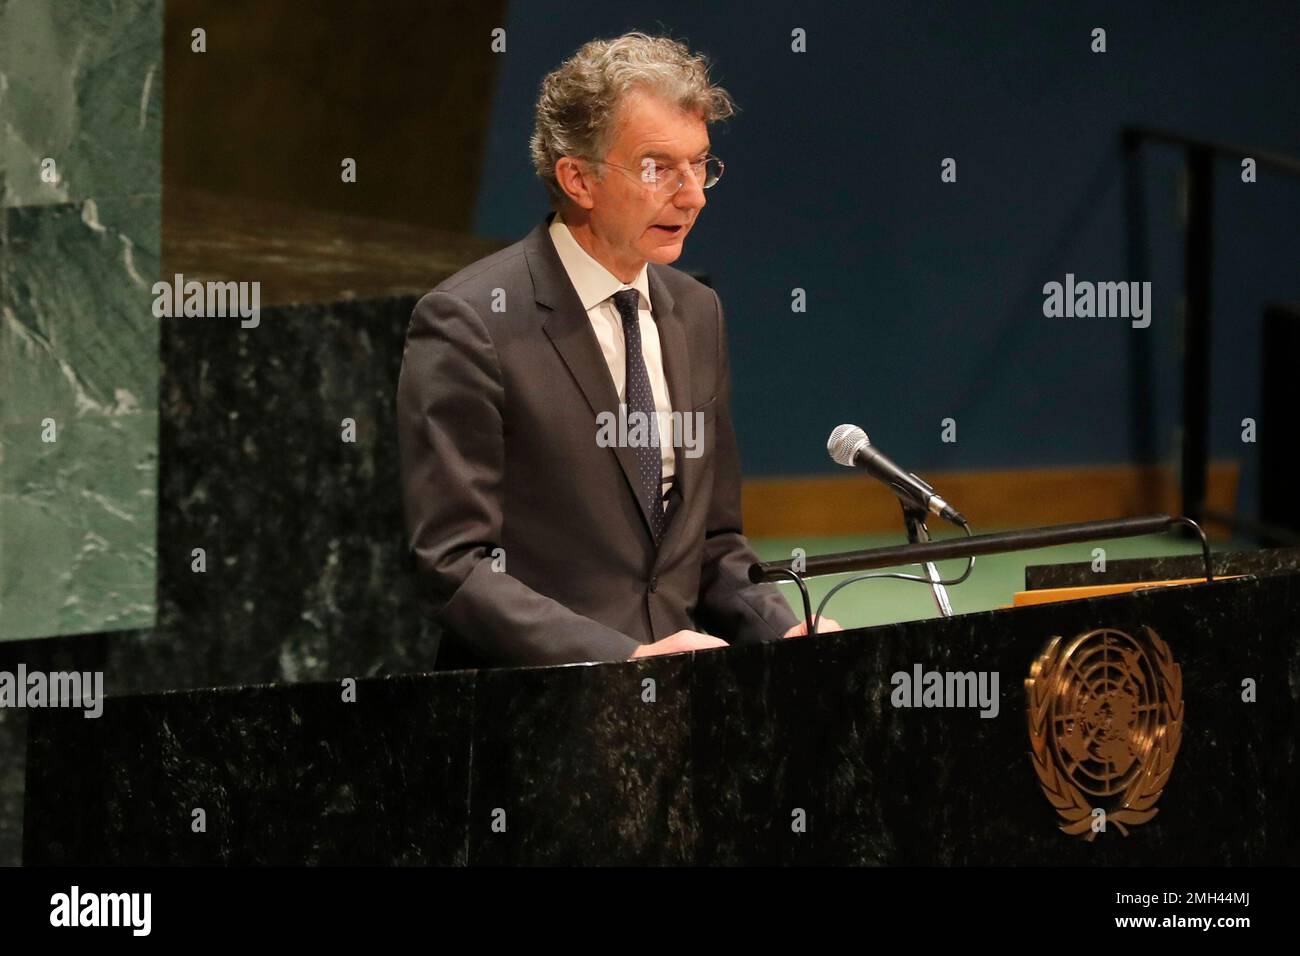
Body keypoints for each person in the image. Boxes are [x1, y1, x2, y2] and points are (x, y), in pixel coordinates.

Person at [396, 32, 840, 668]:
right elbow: (453, 567)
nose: (693, 196)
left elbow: (712, 541)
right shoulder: (470, 322)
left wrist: (781, 627)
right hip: (532, 720)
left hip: (681, 706)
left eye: (702, 164)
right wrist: (624, 657)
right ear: (578, 178)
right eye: (659, 168)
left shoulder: (696, 311)